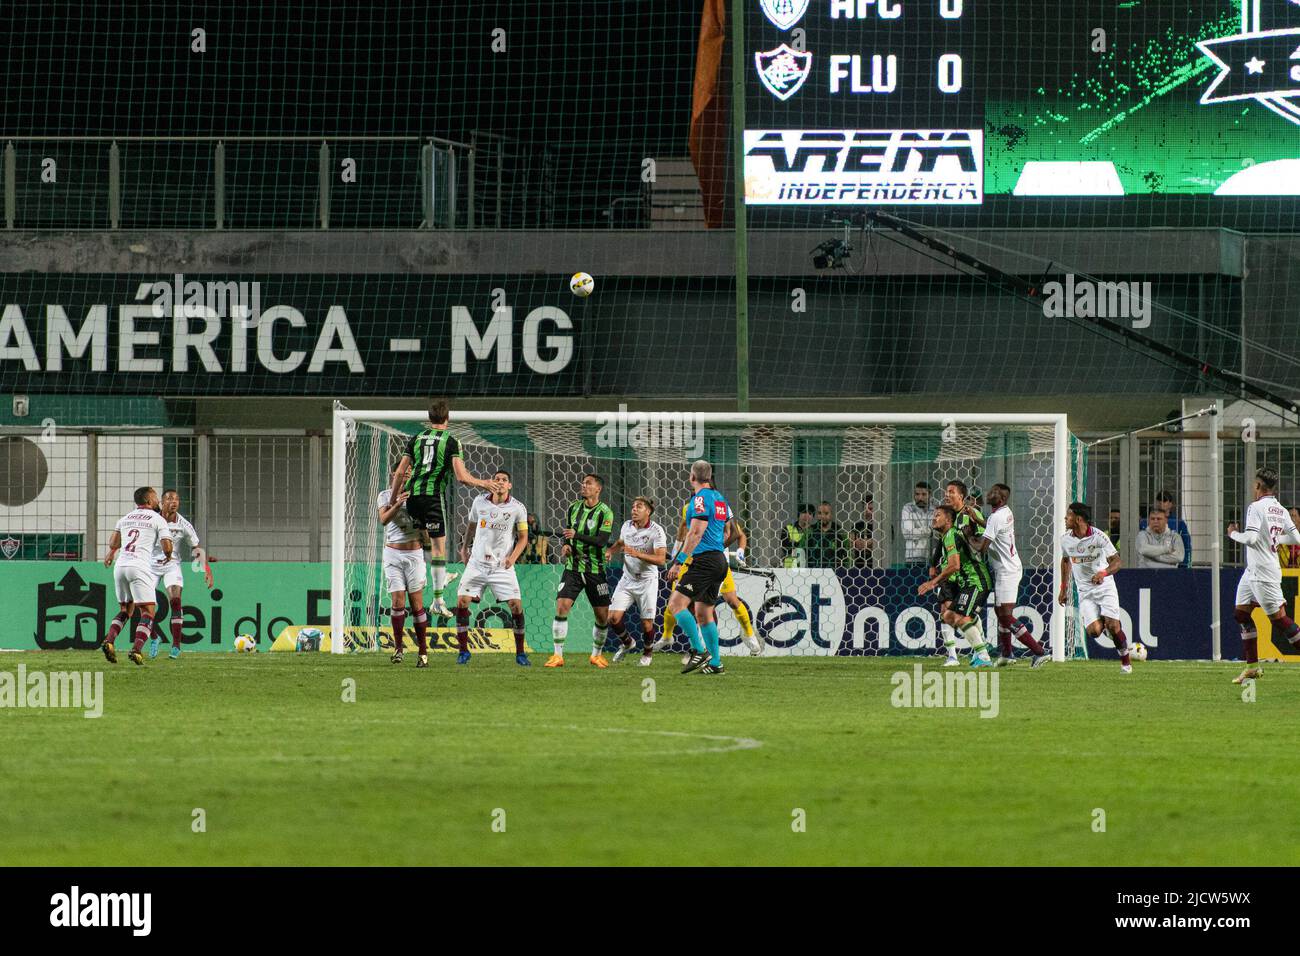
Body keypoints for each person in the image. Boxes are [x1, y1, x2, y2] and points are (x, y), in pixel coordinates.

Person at [387, 399, 499, 618]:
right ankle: (438, 599)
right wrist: (484, 483)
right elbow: (462, 477)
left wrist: (393, 499)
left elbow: (400, 473)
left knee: (424, 541)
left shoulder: (416, 438)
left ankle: (440, 576)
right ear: (447, 418)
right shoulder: (451, 441)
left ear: (429, 419)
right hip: (432, 497)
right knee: (439, 548)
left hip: (412, 497)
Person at [659, 488, 761, 657]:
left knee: (731, 601)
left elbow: (738, 533)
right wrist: (677, 550)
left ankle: (748, 635)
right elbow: (685, 528)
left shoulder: (720, 508)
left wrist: (738, 549)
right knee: (683, 603)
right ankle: (675, 640)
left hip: (716, 561)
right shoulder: (689, 507)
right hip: (693, 561)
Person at [1226, 468, 1300, 685]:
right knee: (1241, 614)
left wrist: (1232, 534)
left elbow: (1250, 538)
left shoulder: (1256, 507)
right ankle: (1252, 667)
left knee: (1280, 621)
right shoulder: (1281, 510)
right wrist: (1274, 540)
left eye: (1253, 484)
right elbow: (1296, 538)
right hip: (1254, 572)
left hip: (1263, 573)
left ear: (1258, 486)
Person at [456, 469, 531, 667]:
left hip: (502, 566)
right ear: (491, 482)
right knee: (462, 601)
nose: (500, 482)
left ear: (509, 486)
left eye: (504, 480)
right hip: (477, 564)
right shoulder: (479, 501)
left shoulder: (517, 508)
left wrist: (513, 558)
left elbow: (523, 538)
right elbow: (471, 527)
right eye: (496, 479)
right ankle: (463, 651)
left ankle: (521, 653)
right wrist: (464, 549)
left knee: (516, 605)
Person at [665, 460, 732, 675]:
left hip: (704, 561)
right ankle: (716, 664)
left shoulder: (700, 499)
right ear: (710, 477)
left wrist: (679, 561)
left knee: (675, 605)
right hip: (719, 560)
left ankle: (699, 651)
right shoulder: (720, 499)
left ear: (691, 477)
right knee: (704, 613)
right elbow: (727, 532)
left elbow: (695, 533)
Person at [974, 483, 1048, 666]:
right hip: (1009, 568)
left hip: (1007, 571)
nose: (990, 493)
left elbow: (981, 548)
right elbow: (992, 527)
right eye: (990, 490)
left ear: (1002, 498)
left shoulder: (997, 517)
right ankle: (1007, 654)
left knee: (1006, 615)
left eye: (995, 493)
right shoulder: (1004, 513)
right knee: (1001, 612)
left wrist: (967, 536)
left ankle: (1039, 651)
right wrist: (977, 520)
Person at [547, 473, 615, 668]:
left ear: (598, 489)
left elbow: (602, 541)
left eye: (588, 483)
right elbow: (568, 533)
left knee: (602, 616)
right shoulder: (573, 508)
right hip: (573, 568)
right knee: (561, 607)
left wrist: (578, 536)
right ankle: (557, 655)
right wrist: (567, 545)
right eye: (583, 482)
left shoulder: (605, 512)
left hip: (595, 569)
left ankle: (596, 655)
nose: (583, 486)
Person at [100, 487, 173, 666]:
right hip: (139, 567)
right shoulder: (158, 519)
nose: (158, 501)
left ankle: (109, 640)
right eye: (156, 497)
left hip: (121, 566)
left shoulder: (125, 518)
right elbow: (167, 547)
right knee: (148, 612)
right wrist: (169, 555)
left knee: (126, 610)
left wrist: (111, 553)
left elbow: (113, 543)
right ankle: (137, 649)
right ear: (149, 500)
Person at [1058, 502, 1132, 673]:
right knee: (1094, 632)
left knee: (1114, 627)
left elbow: (1117, 561)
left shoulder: (1099, 537)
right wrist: (1063, 588)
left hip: (1104, 587)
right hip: (1085, 592)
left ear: (1078, 519)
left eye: (1068, 515)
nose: (1065, 518)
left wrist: (1103, 573)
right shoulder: (1065, 539)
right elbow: (1065, 560)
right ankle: (1108, 625)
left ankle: (1126, 663)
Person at [918, 505, 993, 667]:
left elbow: (954, 566)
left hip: (976, 581)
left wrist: (933, 582)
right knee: (948, 616)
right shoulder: (947, 537)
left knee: (960, 617)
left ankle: (983, 655)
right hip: (968, 582)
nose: (934, 518)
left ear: (948, 520)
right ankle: (981, 648)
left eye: (938, 515)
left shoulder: (951, 534)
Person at [147, 488, 214, 660]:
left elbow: (196, 548)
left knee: (175, 600)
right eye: (169, 498)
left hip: (171, 565)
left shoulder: (184, 524)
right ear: (162, 502)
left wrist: (207, 570)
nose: (174, 502)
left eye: (176, 499)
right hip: (150, 565)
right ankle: (155, 638)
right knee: (144, 604)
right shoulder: (152, 519)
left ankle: (176, 645)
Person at [604, 496, 668, 666]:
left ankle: (647, 654)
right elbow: (620, 543)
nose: (634, 509)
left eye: (638, 507)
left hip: (647, 581)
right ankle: (627, 643)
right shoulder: (627, 526)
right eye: (633, 506)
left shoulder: (657, 531)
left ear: (648, 511)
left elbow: (661, 560)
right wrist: (611, 550)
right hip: (627, 579)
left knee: (647, 624)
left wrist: (637, 553)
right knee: (612, 618)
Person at [379, 482, 431, 668]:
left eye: (410, 472)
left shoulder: (420, 497)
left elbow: (427, 540)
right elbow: (383, 520)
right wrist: (398, 504)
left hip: (415, 555)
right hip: (393, 554)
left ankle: (423, 652)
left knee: (417, 603)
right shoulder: (385, 495)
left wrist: (423, 525)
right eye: (402, 473)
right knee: (397, 602)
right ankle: (398, 649)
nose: (405, 476)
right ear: (395, 475)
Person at [1139, 491, 1192, 567]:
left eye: (1164, 501)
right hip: (1149, 566)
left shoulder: (1179, 523)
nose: (1161, 503)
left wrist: (1185, 567)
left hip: (1172, 566)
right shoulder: (1145, 522)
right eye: (1159, 500)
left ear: (1170, 504)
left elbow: (1186, 546)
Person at [805, 501, 852, 569]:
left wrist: (847, 571)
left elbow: (849, 555)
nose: (822, 516)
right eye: (819, 513)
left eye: (826, 513)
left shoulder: (840, 532)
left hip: (835, 574)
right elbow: (801, 551)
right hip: (814, 573)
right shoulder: (810, 531)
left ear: (831, 514)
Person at [900, 481, 935, 566]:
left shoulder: (935, 509)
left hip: (933, 557)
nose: (920, 498)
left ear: (930, 495)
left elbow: (938, 532)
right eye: (917, 494)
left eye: (923, 494)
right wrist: (930, 531)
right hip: (913, 558)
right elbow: (908, 533)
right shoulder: (908, 508)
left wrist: (918, 531)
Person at [851, 495, 876, 569]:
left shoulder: (885, 527)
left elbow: (883, 544)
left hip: (879, 568)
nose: (867, 512)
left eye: (870, 509)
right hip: (859, 569)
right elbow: (852, 543)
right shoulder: (857, 526)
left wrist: (865, 543)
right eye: (865, 509)